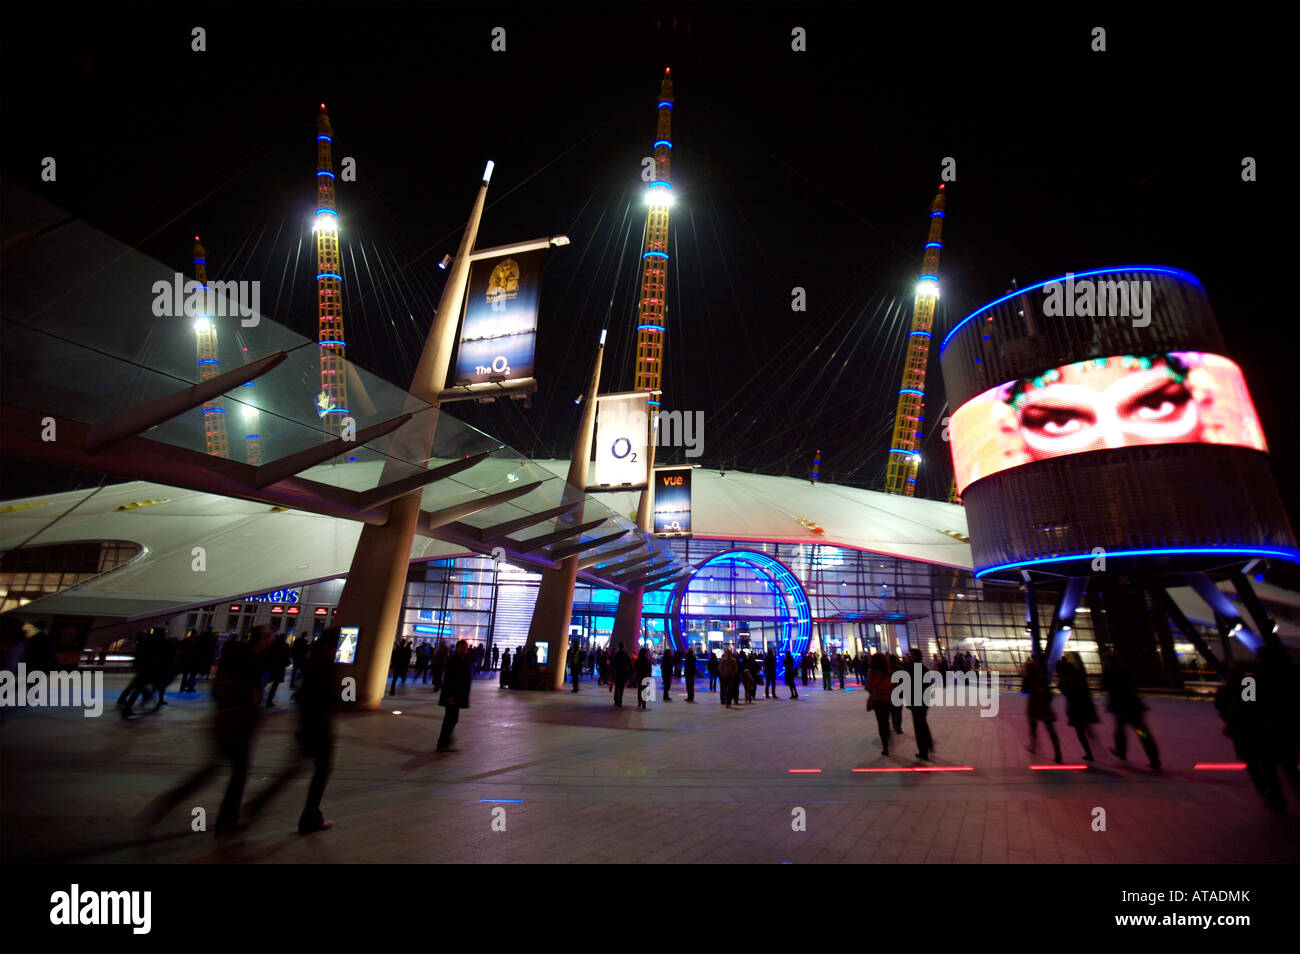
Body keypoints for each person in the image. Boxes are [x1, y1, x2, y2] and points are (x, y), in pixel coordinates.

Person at [1101, 652, 1161, 769]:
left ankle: (1122, 753)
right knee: (1140, 732)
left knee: (1121, 731)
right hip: (1133, 707)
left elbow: (1105, 686)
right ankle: (1153, 758)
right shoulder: (1124, 670)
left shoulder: (1110, 672)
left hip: (1122, 708)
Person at [1056, 653, 1099, 761]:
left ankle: (1089, 753)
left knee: (1080, 733)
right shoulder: (1079, 675)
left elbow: (1066, 692)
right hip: (1086, 707)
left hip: (1076, 710)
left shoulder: (1066, 681)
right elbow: (1082, 669)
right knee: (1136, 728)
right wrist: (1077, 658)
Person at [1022, 657, 1063, 763]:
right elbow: (1048, 691)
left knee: (1034, 727)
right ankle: (1058, 753)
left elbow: (1024, 690)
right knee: (1051, 730)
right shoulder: (1042, 675)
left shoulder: (1029, 677)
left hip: (1035, 706)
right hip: (1045, 706)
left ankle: (1034, 746)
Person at [437, 639, 472, 752]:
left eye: (465, 648)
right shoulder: (453, 661)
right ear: (457, 648)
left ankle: (445, 741)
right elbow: (449, 680)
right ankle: (442, 743)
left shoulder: (463, 660)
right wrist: (451, 696)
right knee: (450, 719)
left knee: (452, 718)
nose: (463, 649)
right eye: (461, 647)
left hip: (458, 695)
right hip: (452, 696)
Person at [906, 648, 933, 760]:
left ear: (916, 656)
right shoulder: (924, 669)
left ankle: (923, 751)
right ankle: (928, 745)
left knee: (919, 727)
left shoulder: (912, 669)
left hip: (916, 702)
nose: (908, 657)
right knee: (922, 724)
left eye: (910, 655)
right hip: (923, 702)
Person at [866, 653, 894, 756]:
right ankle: (888, 734)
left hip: (877, 700)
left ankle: (885, 746)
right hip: (887, 699)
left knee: (880, 722)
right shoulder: (888, 673)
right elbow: (893, 686)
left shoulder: (871, 673)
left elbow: (868, 687)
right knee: (886, 720)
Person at [264, 633, 290, 707]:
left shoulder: (273, 645)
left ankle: (261, 693)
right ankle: (269, 700)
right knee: (275, 684)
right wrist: (286, 663)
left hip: (272, 666)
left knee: (267, 680)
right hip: (280, 667)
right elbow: (287, 656)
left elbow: (268, 654)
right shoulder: (285, 646)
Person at [611, 642, 631, 708]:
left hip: (617, 673)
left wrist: (612, 672)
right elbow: (629, 664)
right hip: (623, 673)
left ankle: (616, 700)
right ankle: (620, 701)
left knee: (617, 687)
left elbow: (613, 664)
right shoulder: (625, 655)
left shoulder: (616, 654)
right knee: (621, 688)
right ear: (623, 647)